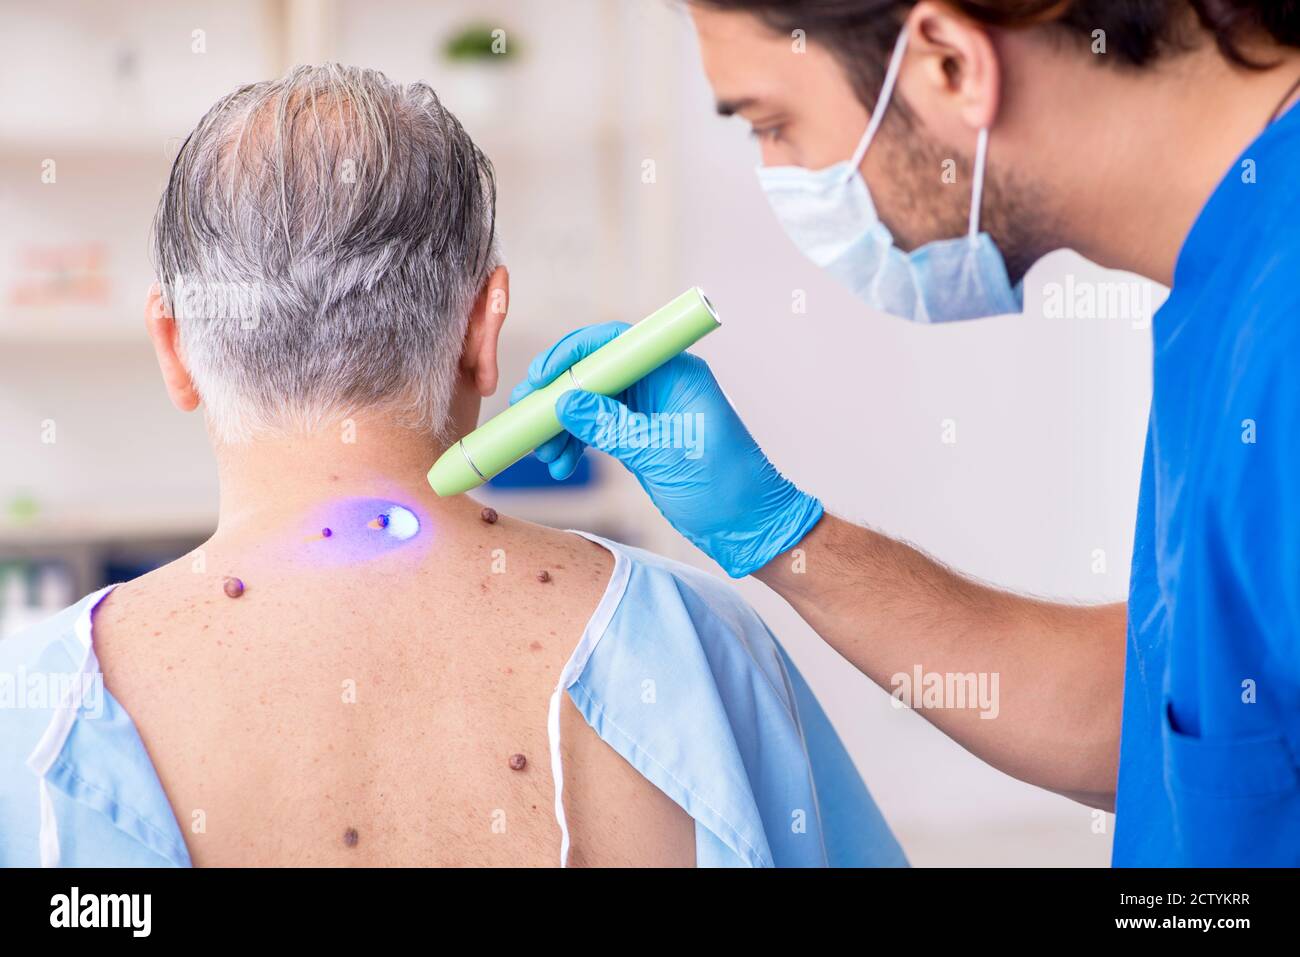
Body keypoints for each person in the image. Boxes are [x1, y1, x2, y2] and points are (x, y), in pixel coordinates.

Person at [0, 65, 904, 868]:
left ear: (173, 345)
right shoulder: (698, 646)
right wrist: (788, 533)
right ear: (486, 325)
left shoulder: (29, 704)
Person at [512, 0, 1300, 865]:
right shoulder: (1231, 295)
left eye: (775, 125)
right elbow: (1186, 712)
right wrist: (779, 532)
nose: (781, 176)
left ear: (948, 64)